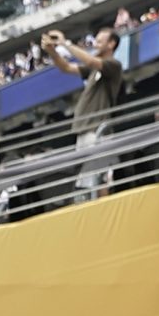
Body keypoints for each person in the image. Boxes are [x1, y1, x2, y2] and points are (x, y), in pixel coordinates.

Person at [44, 27, 123, 199]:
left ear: (111, 44)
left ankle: (106, 211)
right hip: (85, 131)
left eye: (100, 41)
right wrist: (52, 52)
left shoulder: (113, 65)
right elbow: (66, 67)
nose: (96, 44)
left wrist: (65, 43)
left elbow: (91, 61)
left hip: (97, 131)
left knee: (99, 179)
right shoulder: (94, 69)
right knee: (88, 181)